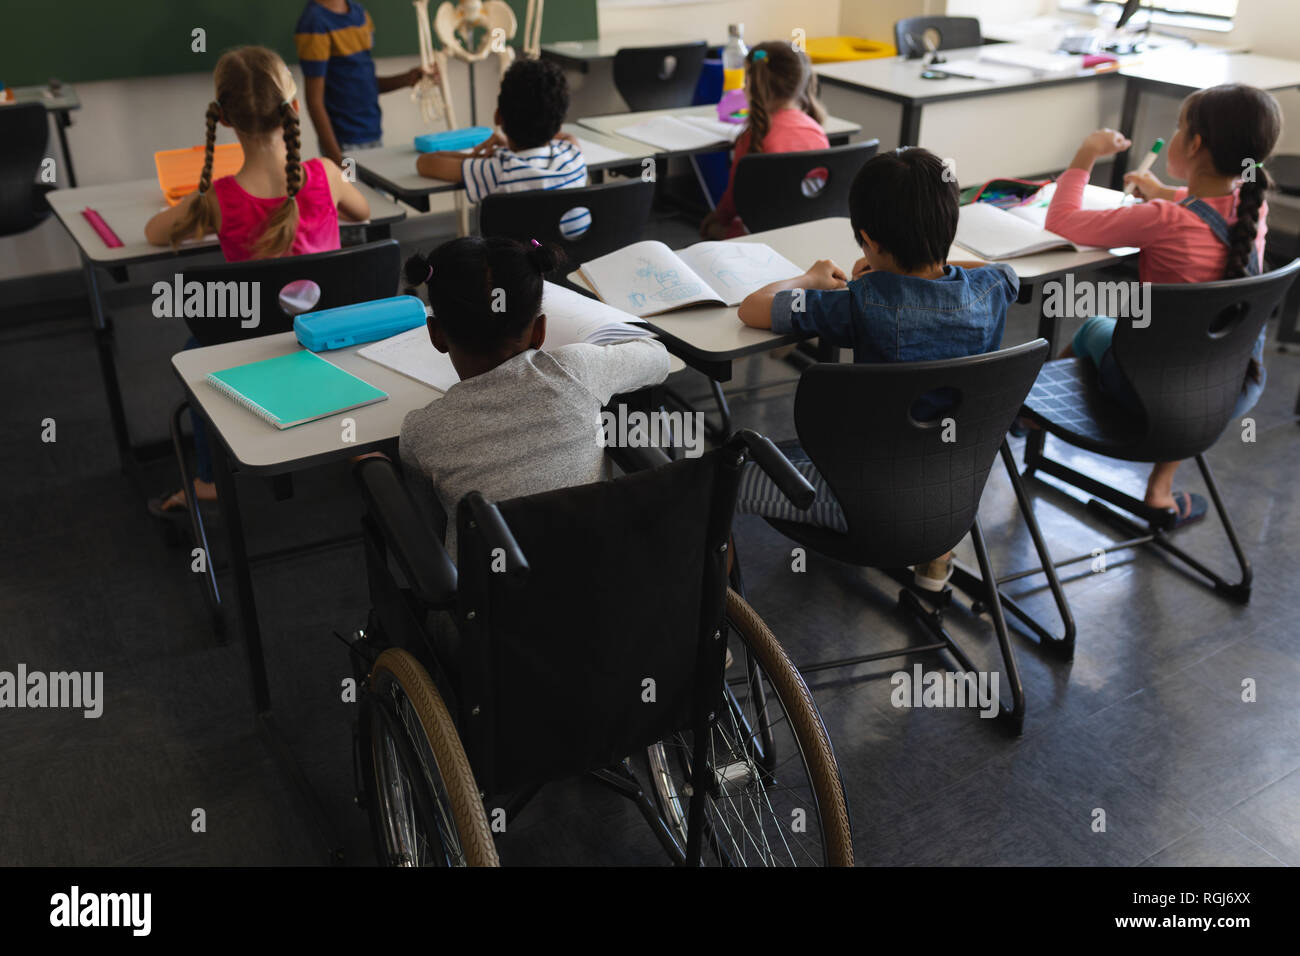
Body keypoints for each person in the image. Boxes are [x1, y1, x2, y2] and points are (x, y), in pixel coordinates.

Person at [734, 147, 1019, 590]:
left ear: (868, 239)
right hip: (954, 495)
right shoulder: (992, 289)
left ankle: (718, 628)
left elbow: (752, 308)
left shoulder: (858, 303)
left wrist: (810, 278)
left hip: (858, 503)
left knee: (717, 479)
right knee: (932, 441)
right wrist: (927, 266)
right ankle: (934, 566)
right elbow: (1004, 271)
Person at [144, 46, 369, 516]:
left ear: (223, 120)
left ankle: (208, 479)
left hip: (251, 348)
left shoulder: (218, 199)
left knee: (193, 351)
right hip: (333, 339)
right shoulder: (324, 174)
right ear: (292, 108)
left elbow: (153, 232)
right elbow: (363, 212)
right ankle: (364, 444)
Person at [1043, 83, 1280, 527]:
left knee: (1095, 321)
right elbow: (1205, 208)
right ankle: (1159, 491)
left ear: (1194, 144)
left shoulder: (1163, 220)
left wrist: (1086, 154)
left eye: (1178, 127)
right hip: (1229, 387)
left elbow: (1061, 222)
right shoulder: (1254, 207)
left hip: (1145, 391)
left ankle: (1029, 418)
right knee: (1194, 355)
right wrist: (1161, 190)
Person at [399, 237, 671, 559]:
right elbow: (658, 357)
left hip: (494, 604)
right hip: (603, 585)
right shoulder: (578, 370)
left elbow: (429, 529)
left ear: (436, 334)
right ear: (540, 331)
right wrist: (581, 353)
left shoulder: (422, 431)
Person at [415, 58, 587, 231]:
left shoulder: (499, 170)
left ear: (498, 116)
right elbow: (567, 137)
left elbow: (425, 163)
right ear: (558, 122)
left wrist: (475, 157)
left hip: (522, 257)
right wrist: (528, 132)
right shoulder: (573, 156)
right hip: (577, 256)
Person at [700, 41, 830, 240]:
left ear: (754, 83)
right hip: (807, 231)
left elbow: (733, 201)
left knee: (710, 229)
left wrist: (714, 219)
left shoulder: (756, 136)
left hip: (758, 235)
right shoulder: (817, 131)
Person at [295, 0, 430, 163]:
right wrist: (337, 159)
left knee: (376, 189)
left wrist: (407, 79)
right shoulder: (315, 22)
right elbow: (314, 101)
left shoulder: (359, 13)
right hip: (344, 145)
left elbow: (364, 83)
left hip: (373, 136)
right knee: (350, 187)